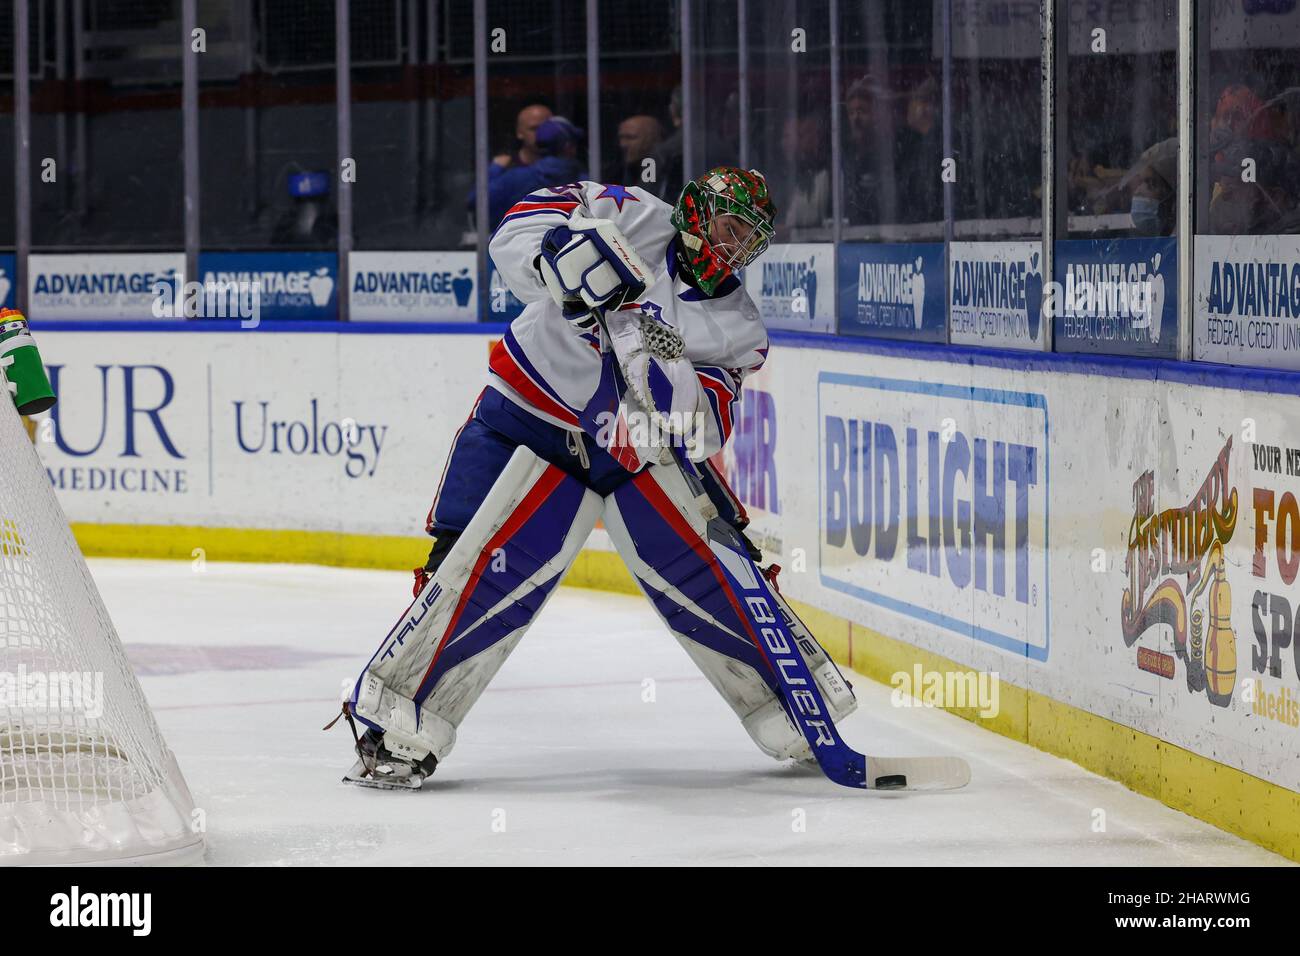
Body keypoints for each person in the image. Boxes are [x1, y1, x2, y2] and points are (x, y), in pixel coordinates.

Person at [333, 167, 857, 789]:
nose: (737, 248)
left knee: (722, 565)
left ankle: (796, 710)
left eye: (751, 239)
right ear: (695, 213)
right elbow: (520, 227)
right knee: (463, 564)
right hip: (526, 418)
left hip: (632, 459)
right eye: (730, 227)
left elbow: (704, 431)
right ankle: (398, 728)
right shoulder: (632, 212)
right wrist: (559, 259)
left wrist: (658, 364)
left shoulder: (737, 324)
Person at [475, 116, 587, 228]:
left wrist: (495, 169)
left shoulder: (515, 178)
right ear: (568, 146)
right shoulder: (584, 183)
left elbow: (476, 202)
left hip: (519, 242)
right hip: (570, 243)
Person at [269, 171, 337, 248]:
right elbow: (276, 248)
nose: (308, 207)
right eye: (301, 201)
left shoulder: (333, 224)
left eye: (315, 200)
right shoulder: (286, 224)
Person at [494, 103, 553, 170]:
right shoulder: (504, 167)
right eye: (534, 129)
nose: (541, 133)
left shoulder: (564, 167)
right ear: (519, 132)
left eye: (545, 128)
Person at [609, 114, 663, 186]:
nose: (623, 144)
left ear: (651, 139)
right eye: (621, 137)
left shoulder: (663, 170)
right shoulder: (616, 172)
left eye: (630, 137)